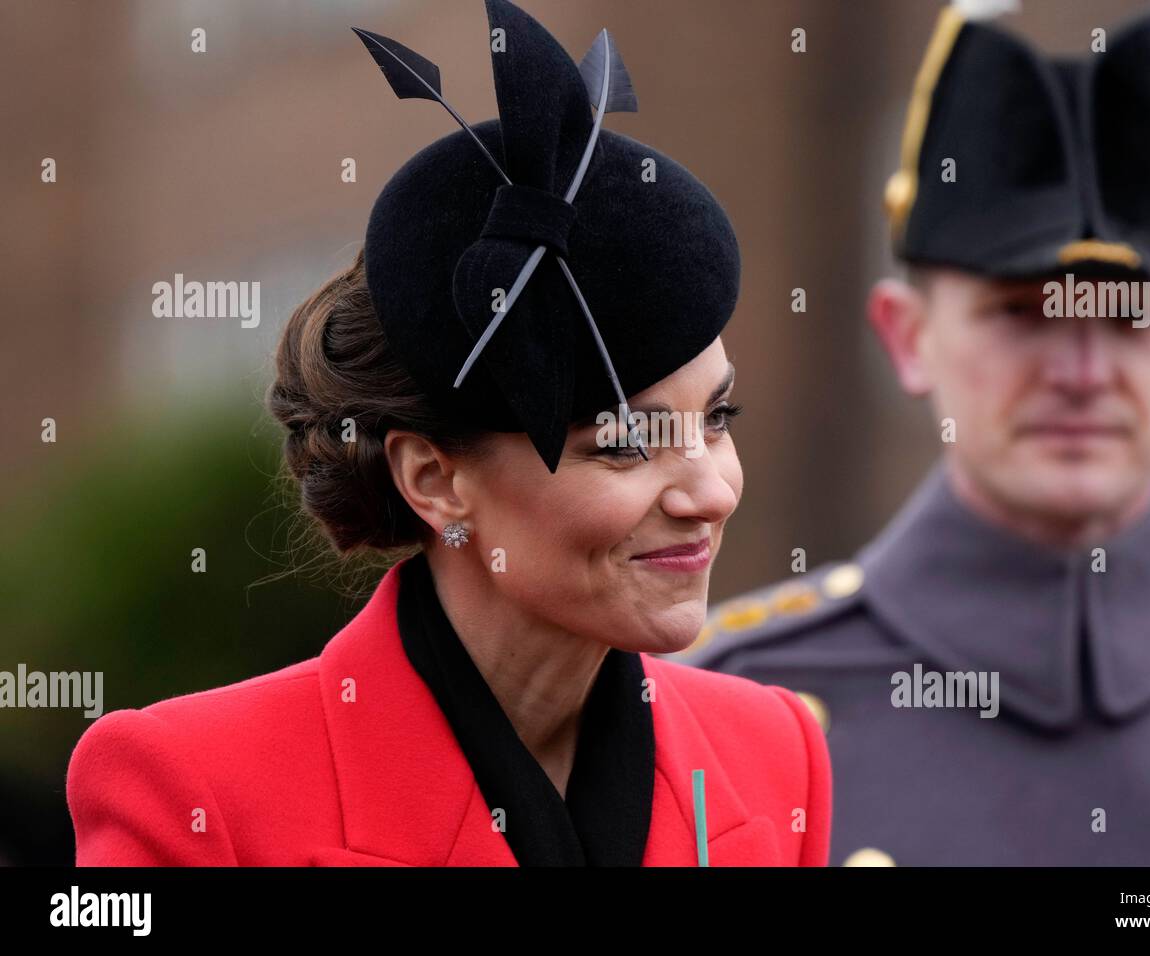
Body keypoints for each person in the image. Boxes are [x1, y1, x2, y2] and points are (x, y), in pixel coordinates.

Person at [66, 0, 830, 867]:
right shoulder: (197, 792)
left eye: (716, 419)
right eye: (624, 440)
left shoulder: (774, 754)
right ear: (433, 480)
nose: (713, 490)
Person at [674, 5, 1150, 866]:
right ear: (905, 336)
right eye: (1020, 313)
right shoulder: (721, 703)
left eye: (1134, 319)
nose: (1081, 373)